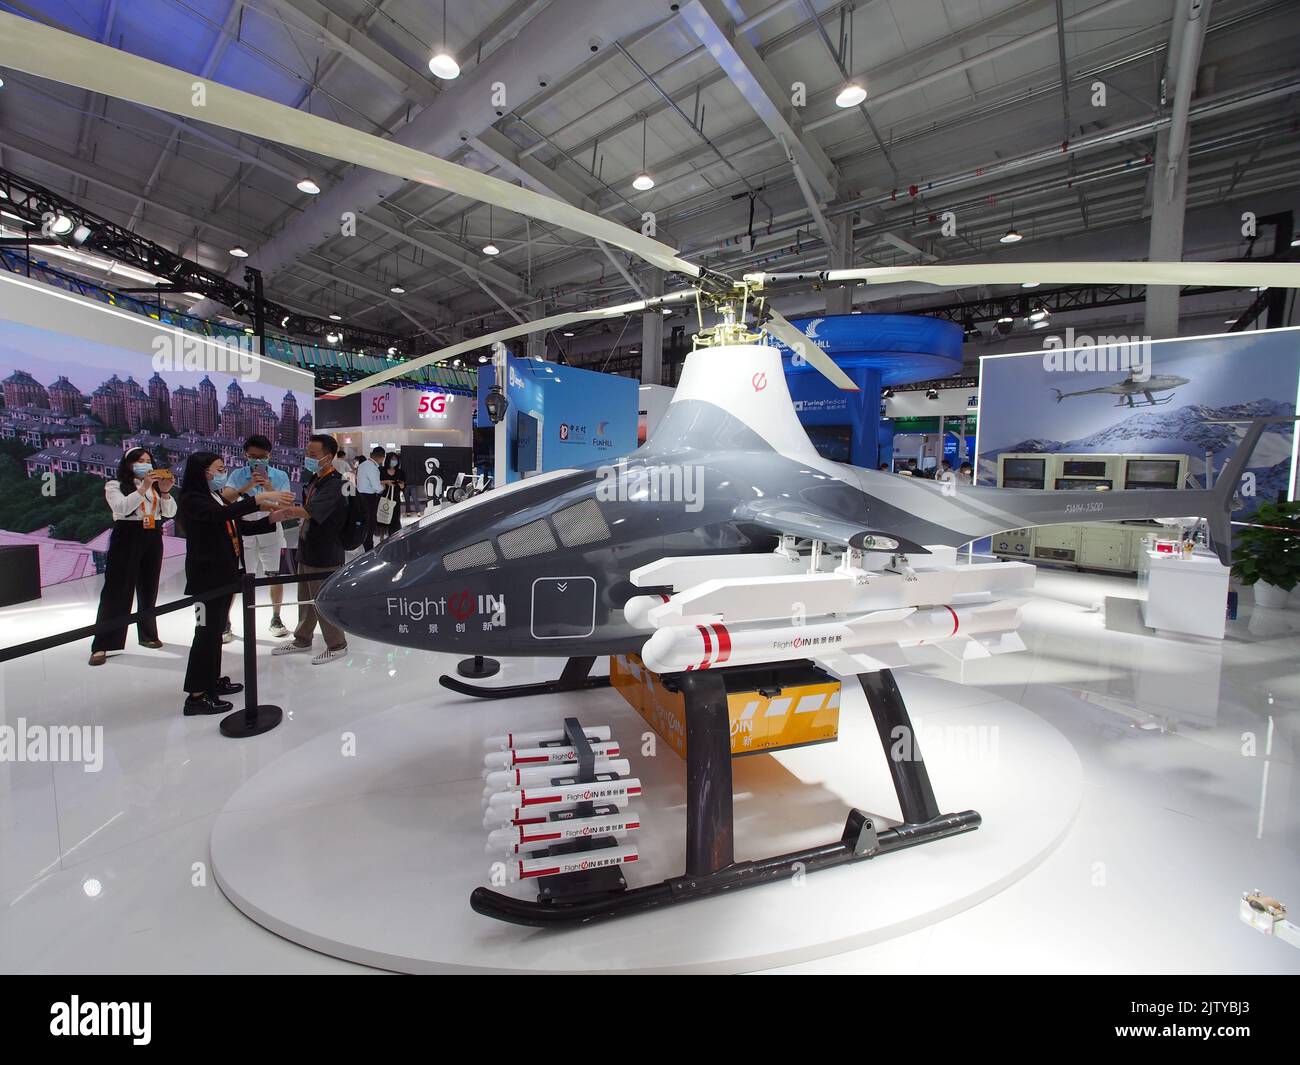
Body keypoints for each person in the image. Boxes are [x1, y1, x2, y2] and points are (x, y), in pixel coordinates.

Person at [177, 451, 292, 715]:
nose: (222, 473)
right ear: (202, 471)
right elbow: (222, 516)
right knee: (204, 633)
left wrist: (270, 519)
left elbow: (238, 528)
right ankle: (196, 696)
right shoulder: (193, 499)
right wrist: (258, 498)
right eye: (218, 469)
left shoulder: (212, 496)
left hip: (224, 576)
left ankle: (211, 682)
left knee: (214, 632)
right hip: (205, 580)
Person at [88, 448, 177, 666]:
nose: (145, 465)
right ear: (129, 464)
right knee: (117, 588)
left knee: (149, 587)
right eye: (140, 461)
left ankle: (147, 634)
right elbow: (121, 507)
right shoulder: (115, 485)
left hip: (152, 535)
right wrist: (144, 487)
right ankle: (103, 643)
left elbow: (169, 512)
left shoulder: (155, 488)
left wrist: (164, 492)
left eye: (148, 461)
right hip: (127, 535)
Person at [270, 434, 350, 665]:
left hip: (325, 552)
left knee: (323, 599)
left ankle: (337, 645)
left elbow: (309, 511)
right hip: (308, 547)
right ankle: (302, 639)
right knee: (305, 598)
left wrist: (280, 512)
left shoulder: (336, 484)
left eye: (313, 455)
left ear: (329, 456)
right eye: (307, 454)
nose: (308, 458)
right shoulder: (316, 479)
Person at [224, 435, 292, 638]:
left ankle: (276, 617)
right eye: (252, 456)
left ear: (269, 456)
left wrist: (268, 487)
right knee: (240, 577)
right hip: (244, 531)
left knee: (275, 575)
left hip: (271, 529)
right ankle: (225, 620)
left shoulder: (280, 476)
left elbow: (286, 506)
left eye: (261, 456)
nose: (257, 460)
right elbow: (226, 499)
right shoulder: (237, 475)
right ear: (246, 455)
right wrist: (247, 486)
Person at [356, 445, 384, 550]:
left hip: (360, 496)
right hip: (369, 498)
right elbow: (376, 487)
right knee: (370, 523)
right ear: (382, 457)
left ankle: (366, 544)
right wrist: (382, 488)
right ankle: (369, 548)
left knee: (365, 522)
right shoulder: (372, 467)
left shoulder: (363, 465)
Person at [377, 451, 405, 541]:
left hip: (395, 497)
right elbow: (377, 482)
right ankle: (382, 537)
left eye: (396, 459)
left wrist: (402, 486)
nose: (394, 461)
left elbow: (404, 484)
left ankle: (394, 536)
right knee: (383, 515)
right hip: (384, 496)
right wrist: (386, 482)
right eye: (392, 459)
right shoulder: (381, 470)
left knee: (395, 517)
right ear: (388, 459)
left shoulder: (400, 472)